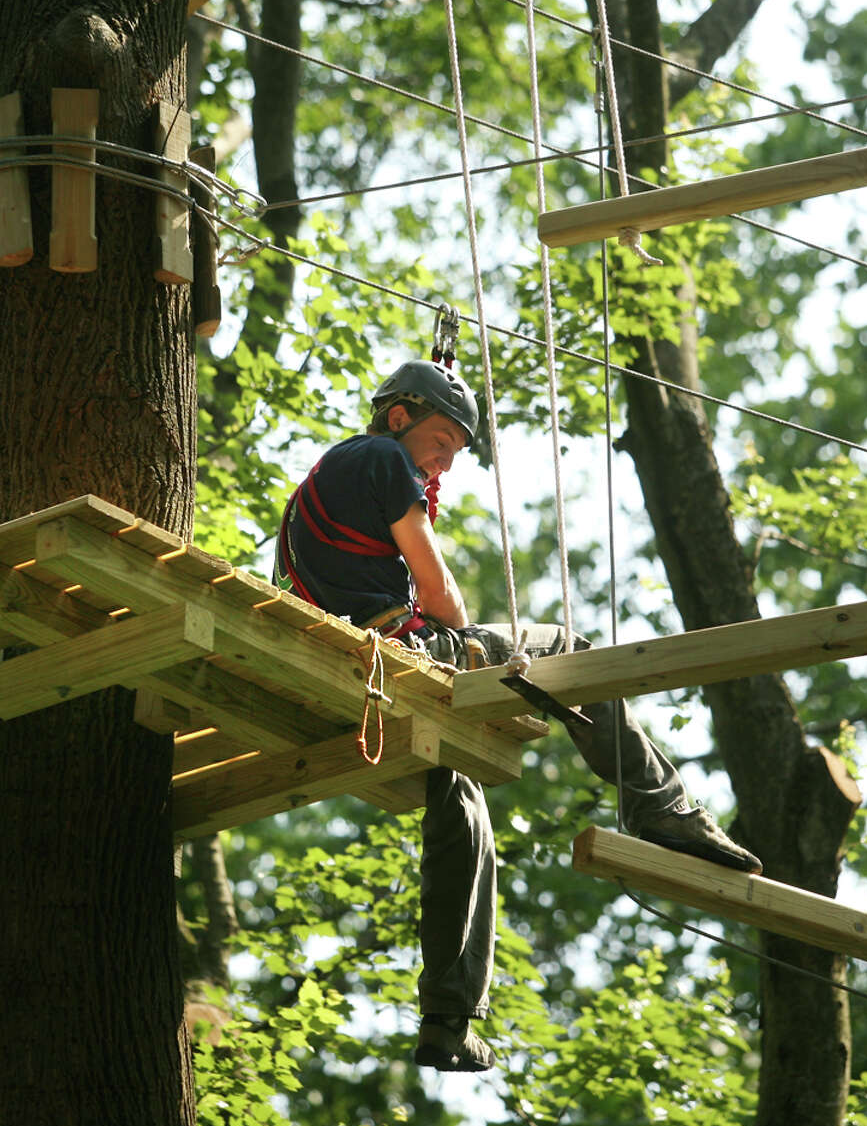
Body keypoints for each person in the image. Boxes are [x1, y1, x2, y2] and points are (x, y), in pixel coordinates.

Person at [277, 359, 762, 1072]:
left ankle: (448, 1018)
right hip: (408, 650)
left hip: (363, 668)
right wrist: (467, 634)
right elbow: (437, 586)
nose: (446, 458)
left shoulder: (320, 484)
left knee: (460, 800)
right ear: (399, 415)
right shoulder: (380, 456)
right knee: (570, 651)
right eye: (442, 438)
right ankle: (665, 810)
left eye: (456, 450)